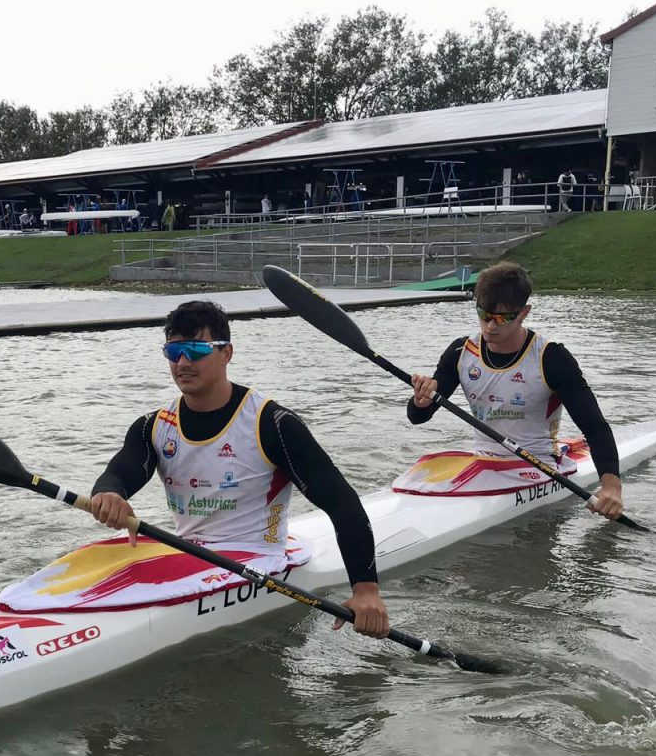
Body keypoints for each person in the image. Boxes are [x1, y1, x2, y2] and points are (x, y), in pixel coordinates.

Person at [88, 299, 390, 639]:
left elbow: (342, 503)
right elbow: (121, 471)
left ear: (227, 353)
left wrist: (366, 591)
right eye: (173, 352)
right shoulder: (154, 426)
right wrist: (109, 494)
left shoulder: (271, 423)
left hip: (260, 557)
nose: (183, 362)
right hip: (190, 551)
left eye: (196, 349)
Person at [407, 262, 624, 520]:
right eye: (484, 315)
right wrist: (420, 401)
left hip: (539, 466)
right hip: (484, 462)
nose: (489, 327)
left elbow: (595, 427)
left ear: (524, 313)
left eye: (501, 319)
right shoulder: (460, 352)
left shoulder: (551, 358)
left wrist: (612, 488)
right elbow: (417, 417)